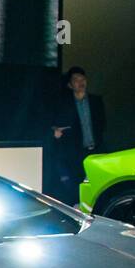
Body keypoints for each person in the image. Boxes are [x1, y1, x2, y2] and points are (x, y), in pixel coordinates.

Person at [49, 66, 106, 204]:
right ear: (70, 84)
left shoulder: (96, 101)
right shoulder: (64, 104)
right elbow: (57, 125)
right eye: (76, 80)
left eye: (82, 79)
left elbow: (102, 124)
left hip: (96, 150)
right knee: (76, 188)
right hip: (75, 153)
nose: (80, 82)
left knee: (98, 186)